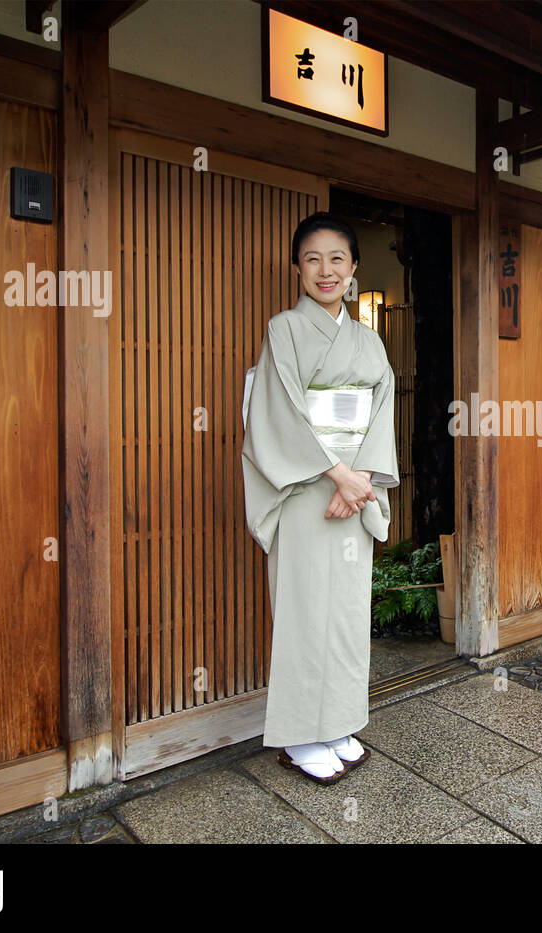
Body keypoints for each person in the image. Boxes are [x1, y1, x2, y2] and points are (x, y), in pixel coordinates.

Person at [241, 211, 398, 783]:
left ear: (354, 268)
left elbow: (382, 411)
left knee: (347, 615)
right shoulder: (283, 329)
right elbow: (275, 411)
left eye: (337, 258)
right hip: (307, 489)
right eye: (312, 258)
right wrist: (337, 475)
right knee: (306, 612)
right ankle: (300, 734)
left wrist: (359, 482)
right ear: (297, 268)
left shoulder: (369, 340)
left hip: (353, 491)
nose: (325, 270)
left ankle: (337, 722)